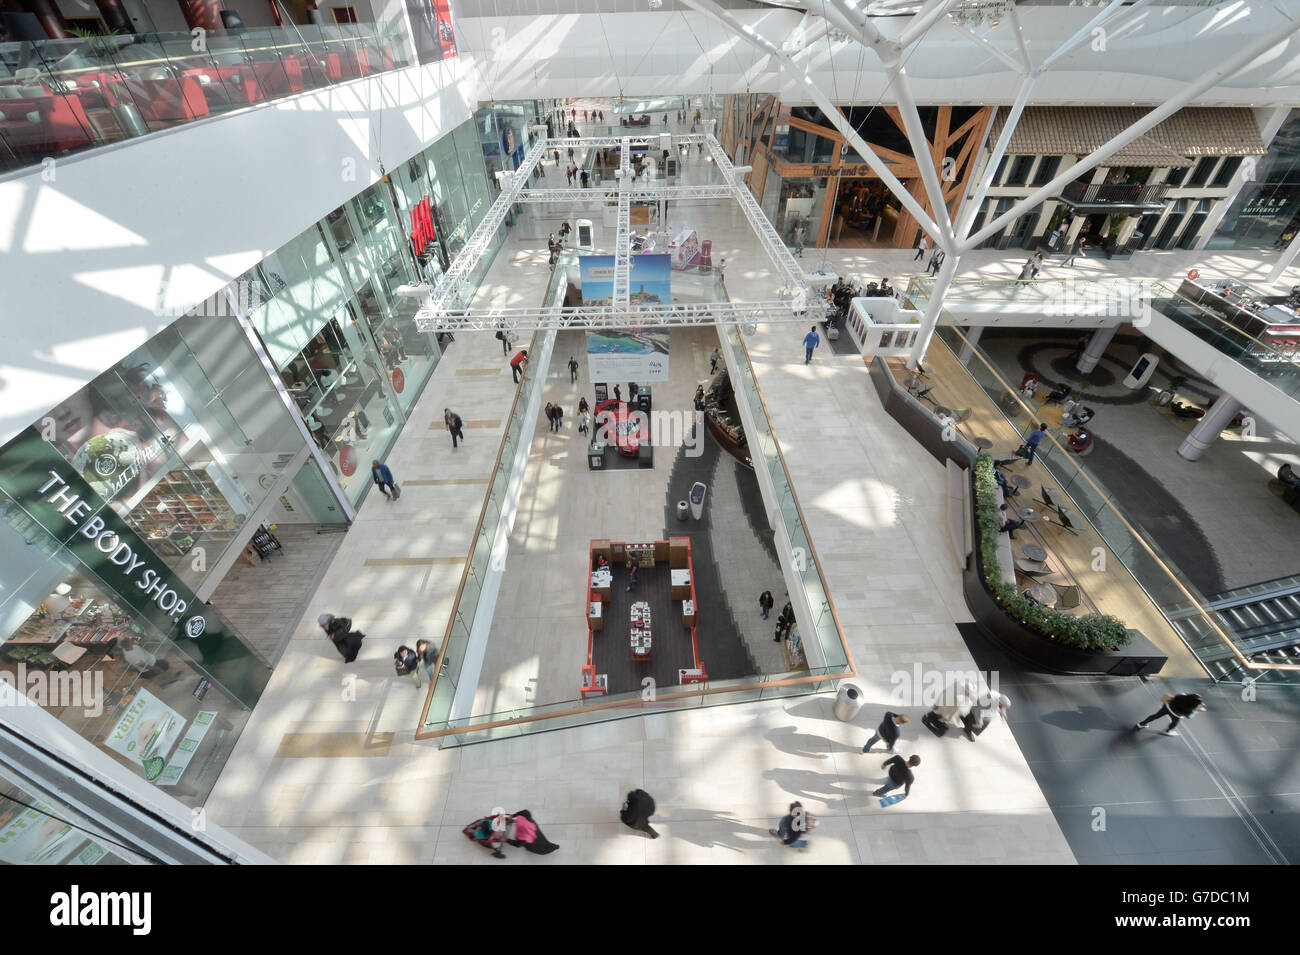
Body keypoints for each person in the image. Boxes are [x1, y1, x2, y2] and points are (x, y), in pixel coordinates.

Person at [1136, 692, 1206, 737]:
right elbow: (1189, 716)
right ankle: (1167, 731)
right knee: (1174, 723)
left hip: (1167, 707)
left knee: (1156, 716)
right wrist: (1198, 710)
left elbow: (1175, 697)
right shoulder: (1189, 709)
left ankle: (1142, 724)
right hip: (1176, 715)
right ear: (1195, 704)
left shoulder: (1180, 696)